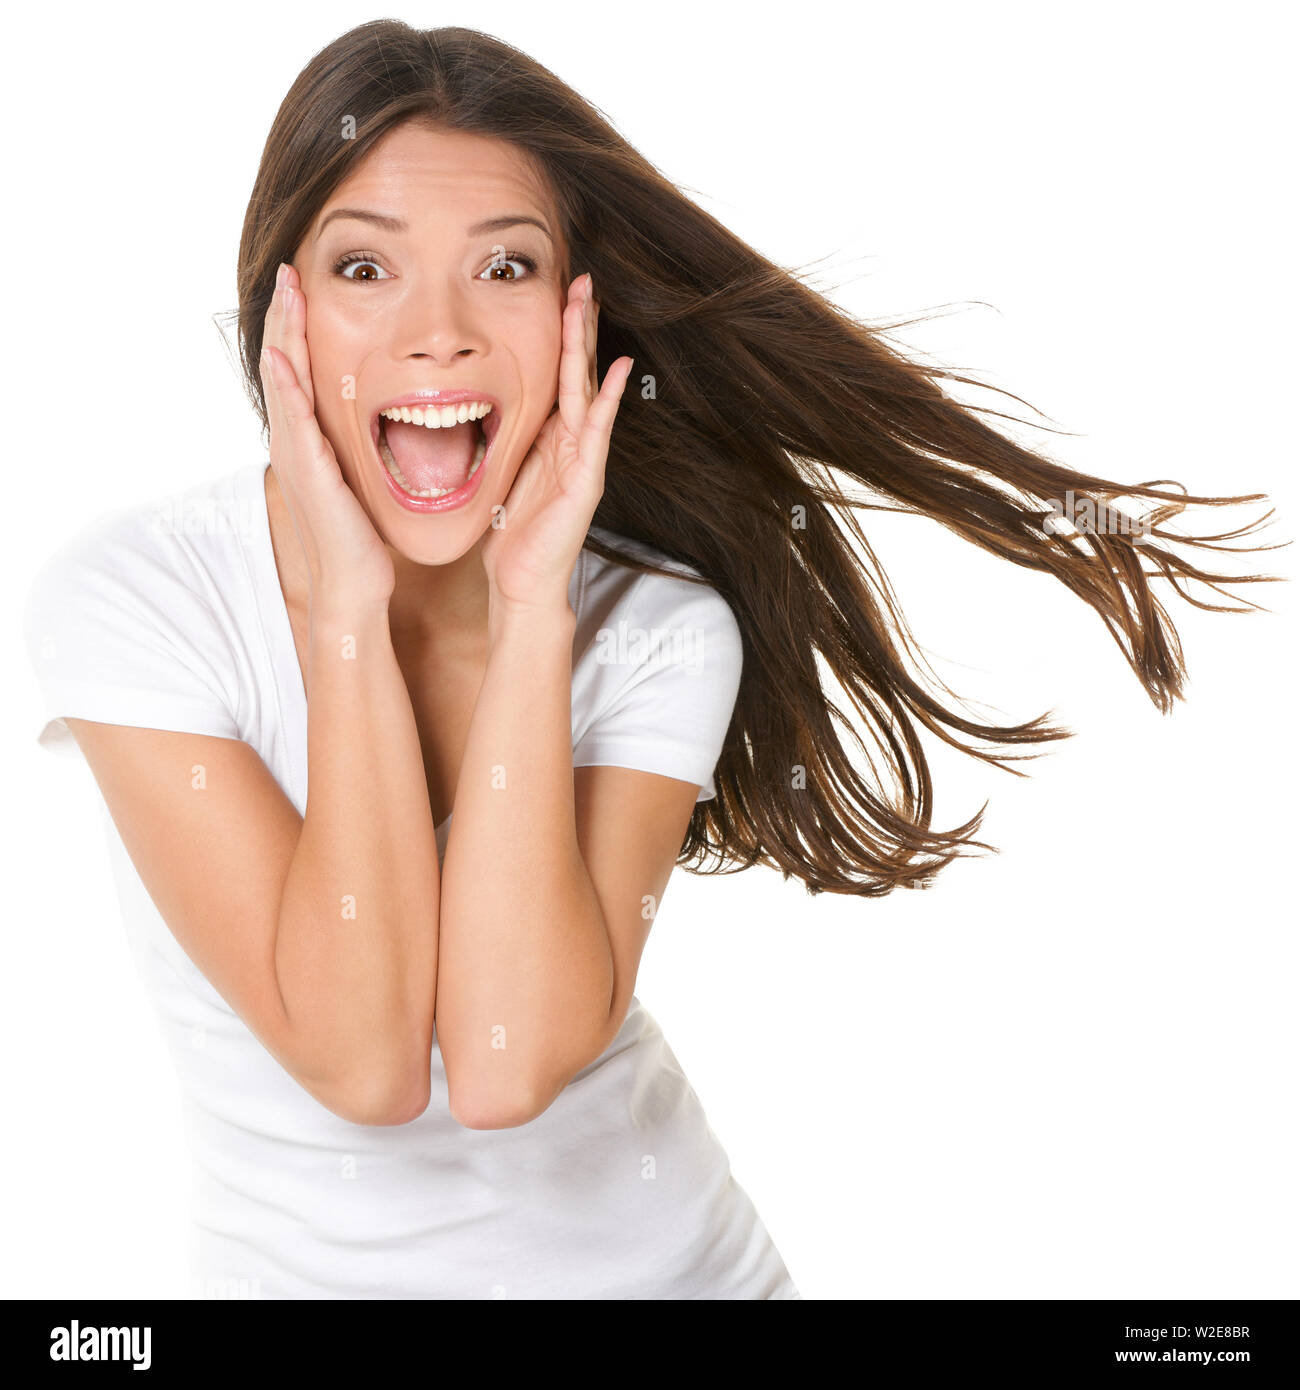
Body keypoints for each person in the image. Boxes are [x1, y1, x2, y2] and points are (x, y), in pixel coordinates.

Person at [22, 21, 1276, 1300]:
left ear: (576, 317)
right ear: (277, 308)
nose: (438, 333)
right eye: (364, 268)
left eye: (504, 267)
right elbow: (363, 1061)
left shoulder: (658, 626)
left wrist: (530, 610)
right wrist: (346, 618)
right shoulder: (140, 598)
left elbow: (504, 1064)